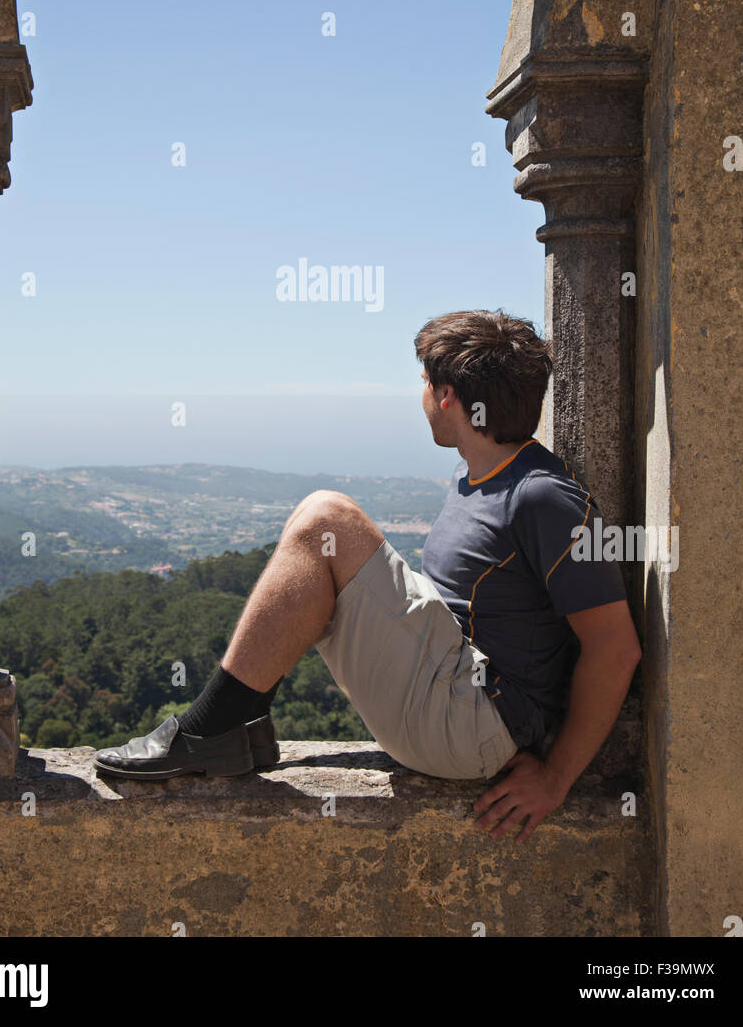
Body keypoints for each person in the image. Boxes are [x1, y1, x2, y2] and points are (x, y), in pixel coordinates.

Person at [94, 309, 641, 843]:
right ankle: (242, 724)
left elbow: (615, 648)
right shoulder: (480, 473)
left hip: (476, 725)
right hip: (457, 693)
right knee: (325, 532)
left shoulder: (542, 497)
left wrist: (555, 778)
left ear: (447, 396)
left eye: (424, 382)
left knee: (326, 518)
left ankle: (209, 730)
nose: (421, 396)